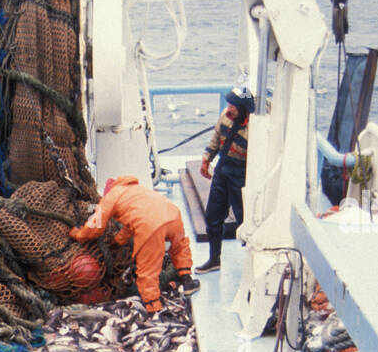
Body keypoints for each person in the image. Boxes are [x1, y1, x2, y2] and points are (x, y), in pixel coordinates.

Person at [69, 175, 199, 313]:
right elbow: (130, 226)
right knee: (180, 247)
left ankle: (153, 306)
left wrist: (78, 234)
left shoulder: (110, 197)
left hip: (150, 225)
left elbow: (95, 227)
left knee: (148, 267)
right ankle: (187, 280)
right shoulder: (136, 190)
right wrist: (117, 241)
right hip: (173, 215)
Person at [196, 86, 256, 273]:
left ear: (244, 109)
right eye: (229, 104)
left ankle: (252, 265)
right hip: (223, 168)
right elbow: (216, 138)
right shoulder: (226, 116)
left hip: (242, 174)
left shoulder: (255, 130)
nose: (229, 109)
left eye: (234, 107)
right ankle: (214, 260)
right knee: (212, 216)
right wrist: (207, 159)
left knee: (244, 220)